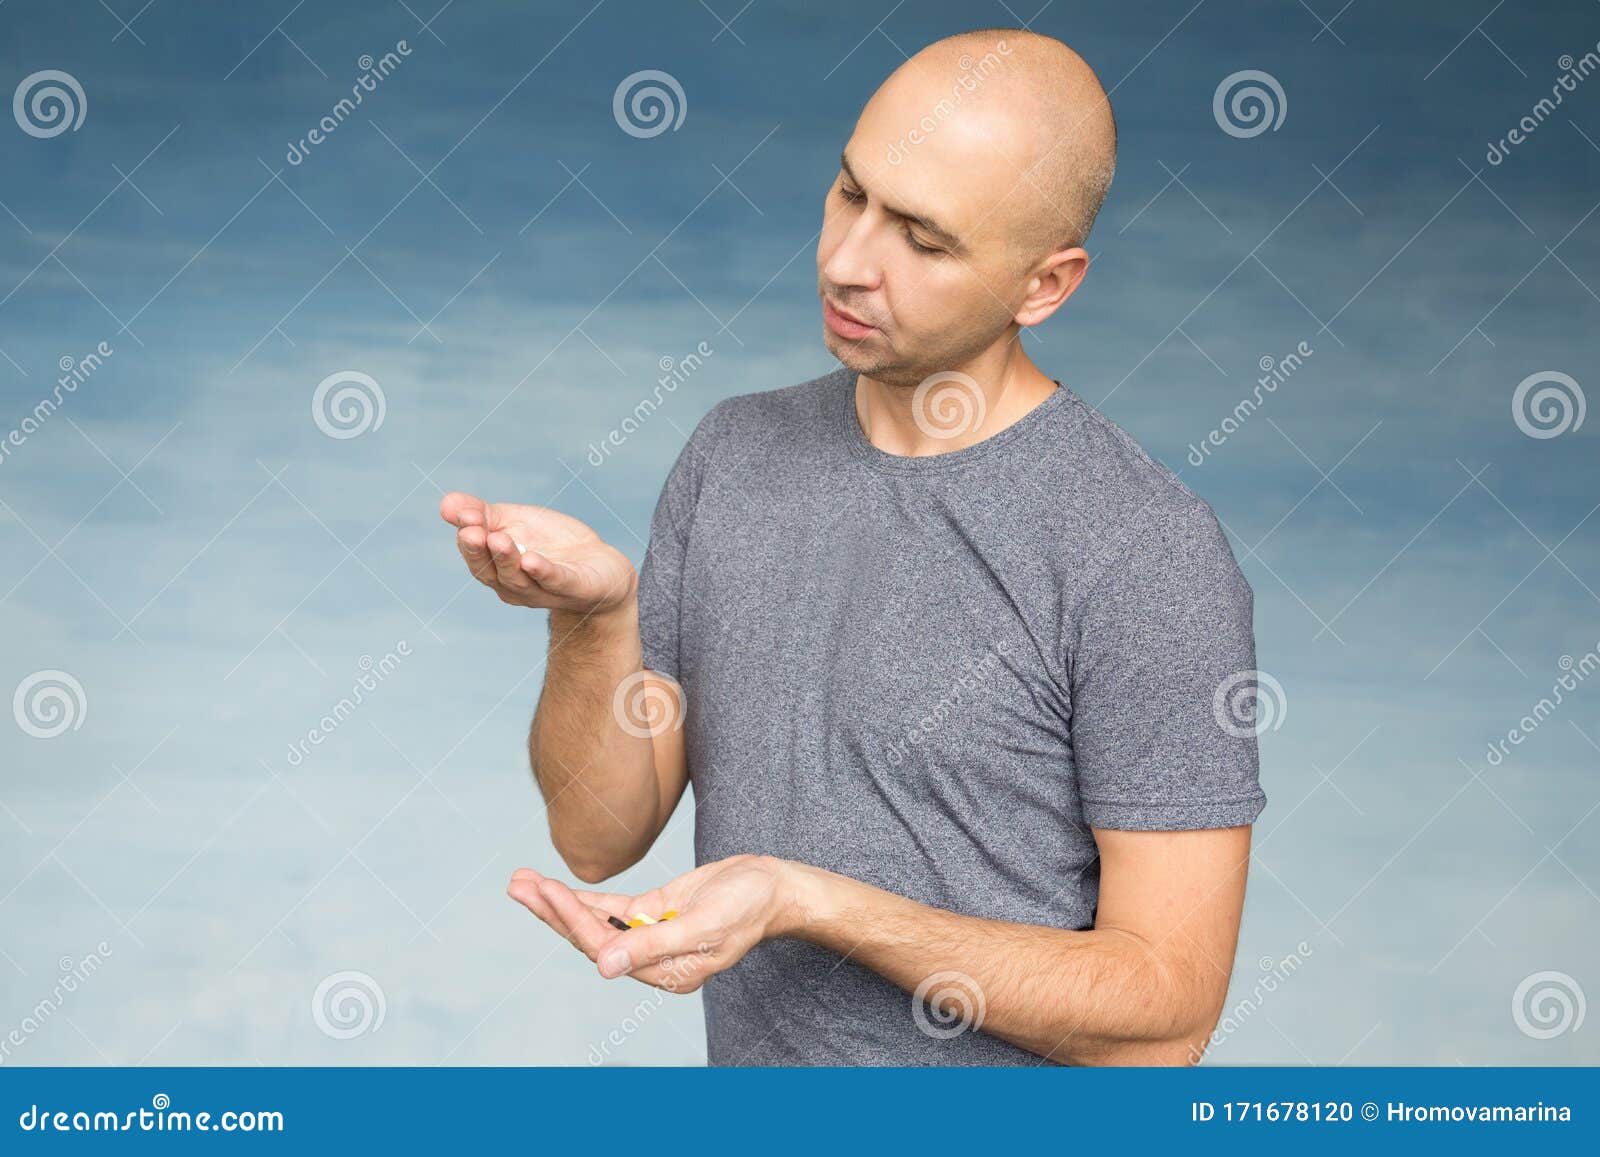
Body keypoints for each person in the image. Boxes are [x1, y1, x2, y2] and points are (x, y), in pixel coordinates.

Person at [440, 26, 1266, 1065]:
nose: (844, 260)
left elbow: (1165, 1014)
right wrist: (593, 618)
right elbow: (599, 834)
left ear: (1043, 287)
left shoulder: (1142, 552)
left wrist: (813, 901)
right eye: (848, 192)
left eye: (922, 241)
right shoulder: (734, 454)